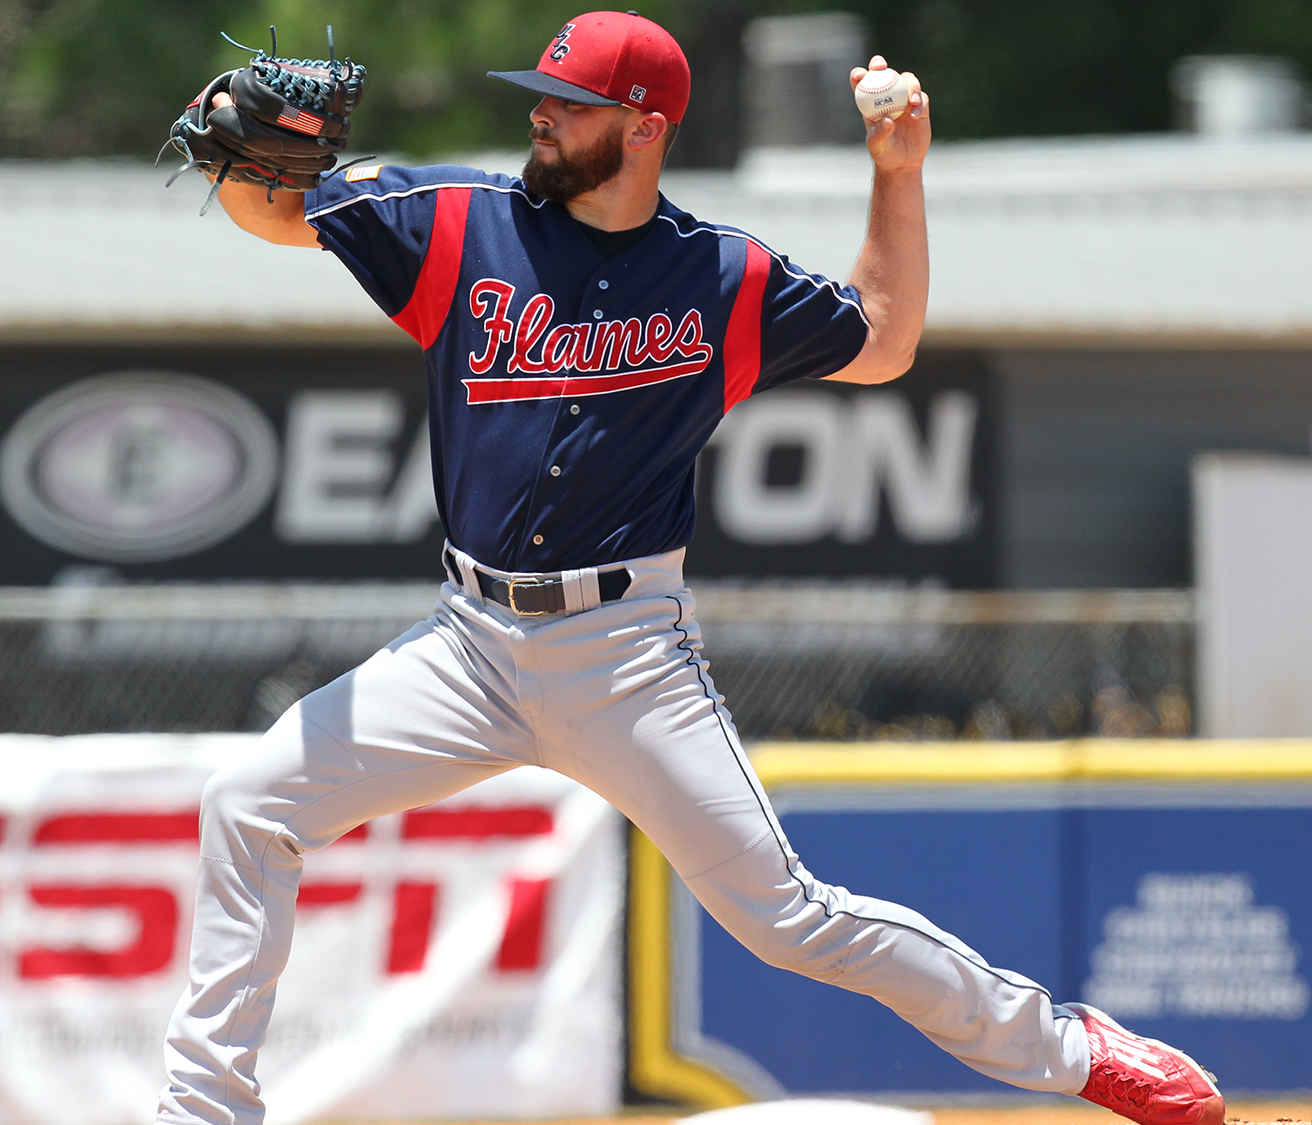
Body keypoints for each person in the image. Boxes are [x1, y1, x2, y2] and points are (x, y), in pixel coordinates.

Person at [156, 13, 1224, 1125]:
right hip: (464, 645)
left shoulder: (718, 276)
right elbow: (278, 213)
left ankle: (1072, 1051)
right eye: (541, 94)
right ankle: (202, 1112)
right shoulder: (451, 221)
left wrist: (895, 175)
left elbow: (886, 336)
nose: (540, 112)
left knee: (788, 920)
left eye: (568, 103)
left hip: (621, 655)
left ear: (643, 127)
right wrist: (239, 150)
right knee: (248, 803)